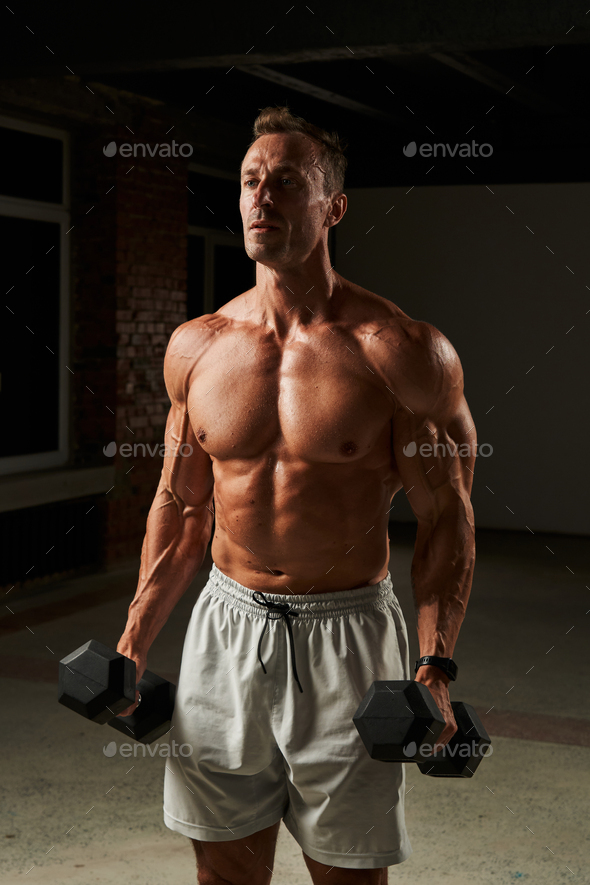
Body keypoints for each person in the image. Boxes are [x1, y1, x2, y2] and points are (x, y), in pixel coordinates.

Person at [116, 105, 476, 885]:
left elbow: (447, 513)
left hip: (346, 632)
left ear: (333, 207)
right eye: (249, 180)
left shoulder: (398, 350)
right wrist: (133, 641)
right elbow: (180, 510)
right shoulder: (199, 346)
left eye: (286, 181)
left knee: (347, 874)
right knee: (225, 874)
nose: (261, 197)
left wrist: (434, 663)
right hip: (225, 628)